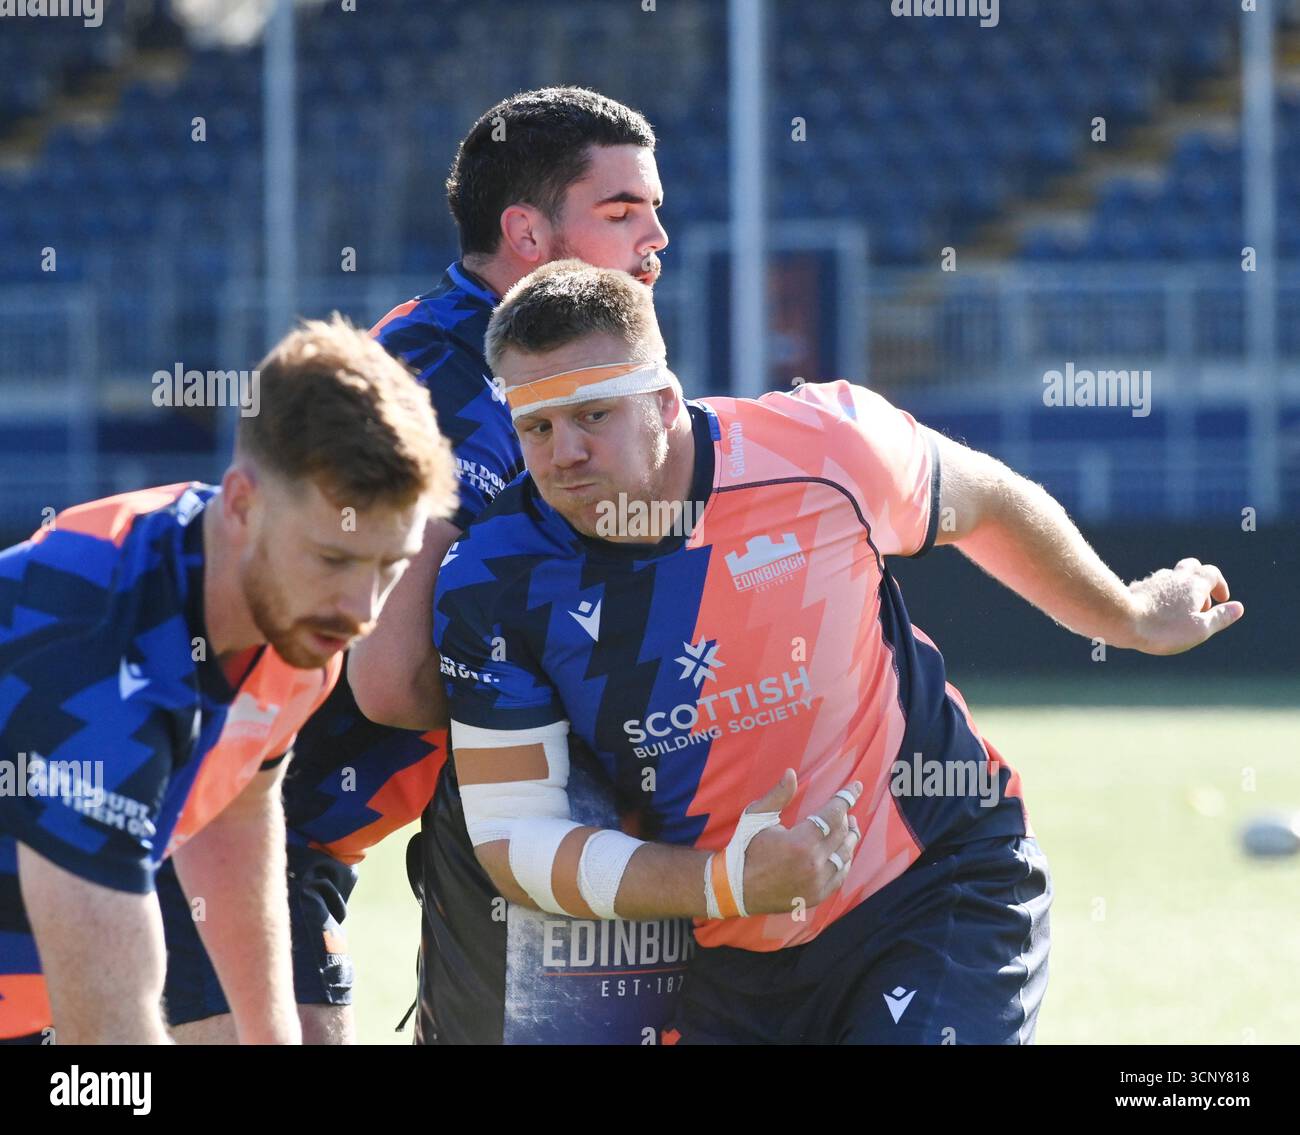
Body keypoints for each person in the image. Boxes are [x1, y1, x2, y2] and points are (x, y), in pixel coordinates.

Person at [432, 259, 1246, 1044]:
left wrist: (1129, 615)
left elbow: (989, 500)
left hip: (936, 886)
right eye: (536, 427)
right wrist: (730, 883)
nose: (564, 453)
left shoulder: (824, 448)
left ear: (665, 400)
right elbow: (516, 839)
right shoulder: (493, 576)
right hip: (720, 956)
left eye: (593, 415)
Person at [159, 86, 677, 1044]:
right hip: (200, 810)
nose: (658, 236)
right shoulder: (442, 379)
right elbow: (392, 679)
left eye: (654, 207)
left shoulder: (515, 367)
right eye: (622, 210)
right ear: (526, 233)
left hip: (295, 830)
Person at [0, 316, 456, 1044]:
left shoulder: (293, 611)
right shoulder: (97, 657)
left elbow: (235, 809)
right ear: (242, 503)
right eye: (336, 560)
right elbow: (108, 1035)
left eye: (390, 565)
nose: (364, 610)